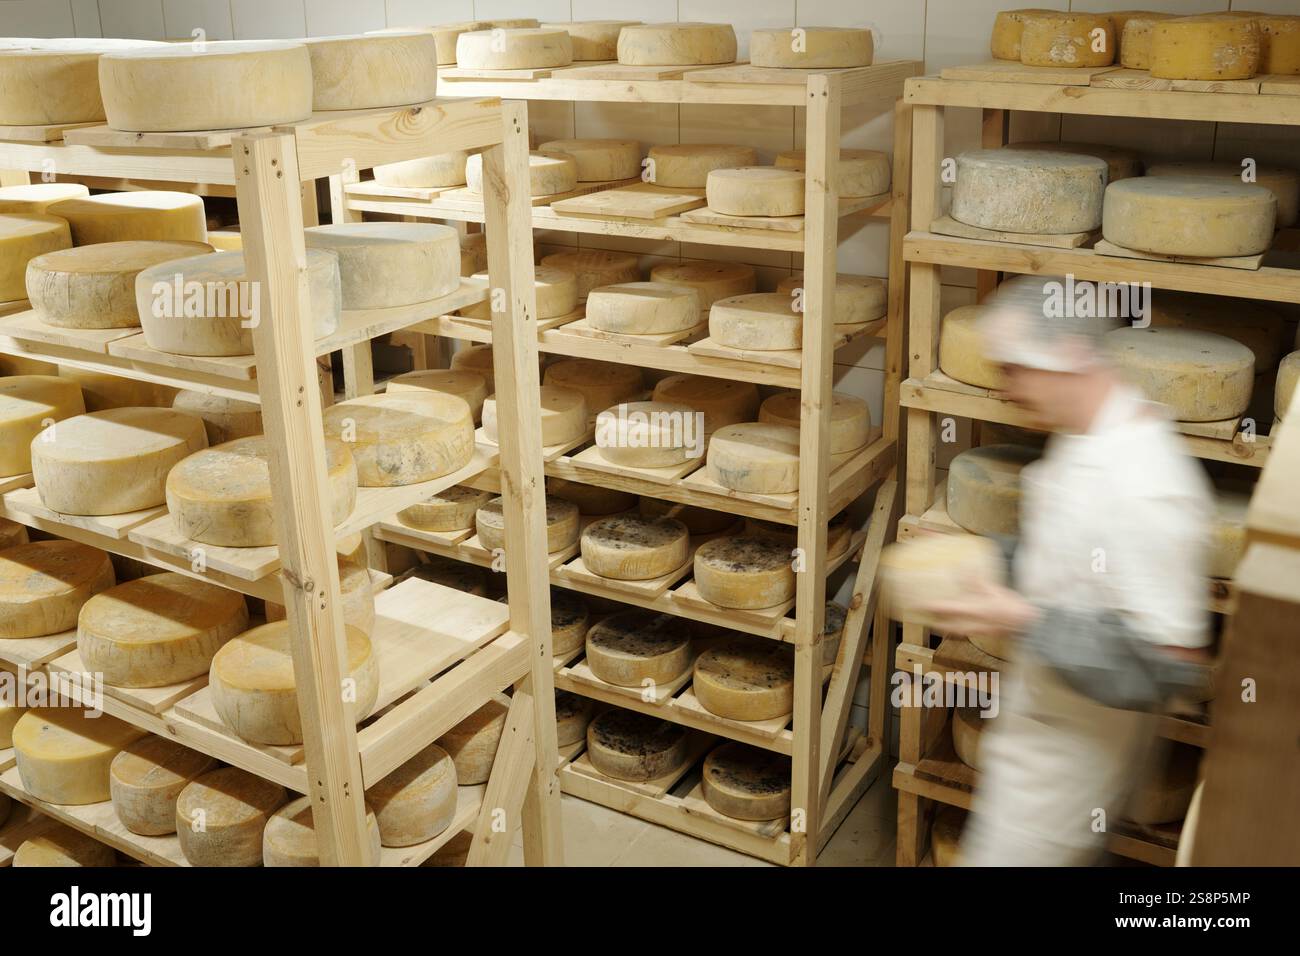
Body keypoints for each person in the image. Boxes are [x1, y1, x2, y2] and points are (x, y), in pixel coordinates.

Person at [923, 277, 1214, 866]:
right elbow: (1070, 558)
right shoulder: (1085, 440)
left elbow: (1165, 663)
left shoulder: (1147, 481)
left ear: (1069, 358)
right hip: (1035, 739)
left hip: (1071, 770)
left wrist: (1023, 617)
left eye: (1013, 370)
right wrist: (989, 562)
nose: (1005, 389)